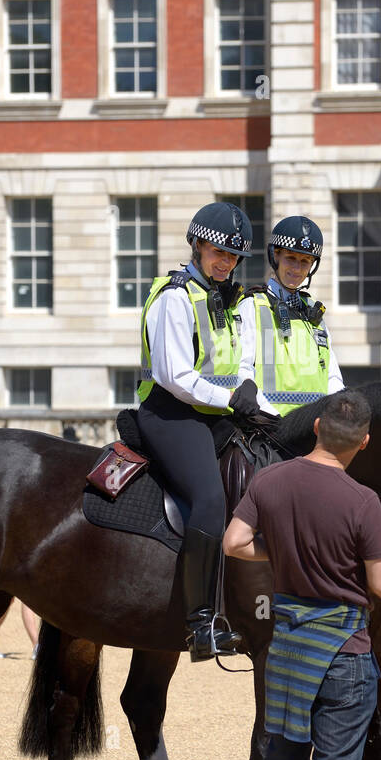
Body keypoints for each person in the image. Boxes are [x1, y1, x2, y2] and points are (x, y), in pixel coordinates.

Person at [223, 389, 381, 760]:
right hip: (342, 650)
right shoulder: (362, 499)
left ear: (316, 426)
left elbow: (233, 543)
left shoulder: (269, 480)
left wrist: (282, 552)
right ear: (364, 442)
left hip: (287, 647)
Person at [137, 200, 258, 663]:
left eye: (233, 257)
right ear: (198, 245)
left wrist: (247, 389)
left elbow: (241, 358)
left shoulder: (228, 299)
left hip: (215, 411)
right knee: (210, 497)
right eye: (219, 253)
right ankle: (200, 621)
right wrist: (230, 399)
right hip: (171, 413)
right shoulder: (174, 296)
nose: (226, 263)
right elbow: (175, 376)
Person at [236, 215, 344, 416]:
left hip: (313, 429)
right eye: (291, 258)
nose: (297, 268)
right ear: (275, 256)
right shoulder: (252, 306)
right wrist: (273, 416)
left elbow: (332, 377)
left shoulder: (315, 314)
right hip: (267, 426)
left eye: (305, 261)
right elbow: (242, 370)